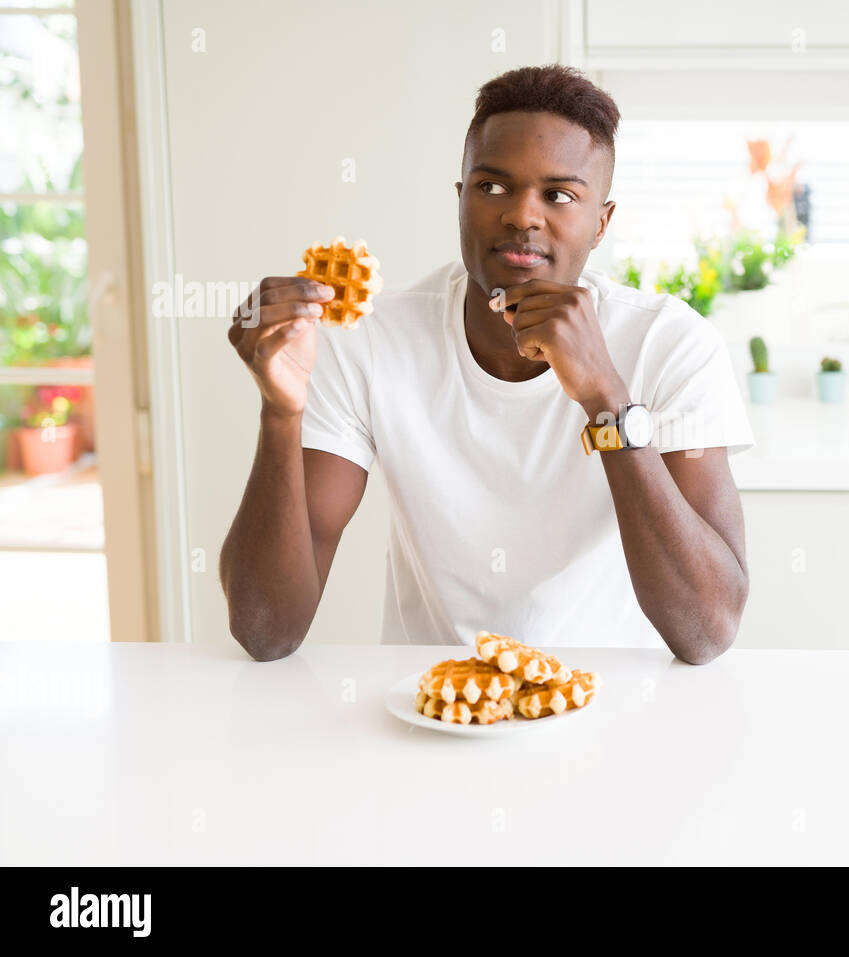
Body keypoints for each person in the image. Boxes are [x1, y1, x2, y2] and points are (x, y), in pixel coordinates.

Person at [220, 64, 754, 663]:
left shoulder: (669, 344)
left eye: (558, 195)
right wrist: (279, 413)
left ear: (600, 224)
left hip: (611, 713)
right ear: (461, 199)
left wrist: (607, 398)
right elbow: (266, 631)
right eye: (493, 187)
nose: (523, 215)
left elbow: (707, 630)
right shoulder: (367, 341)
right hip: (429, 709)